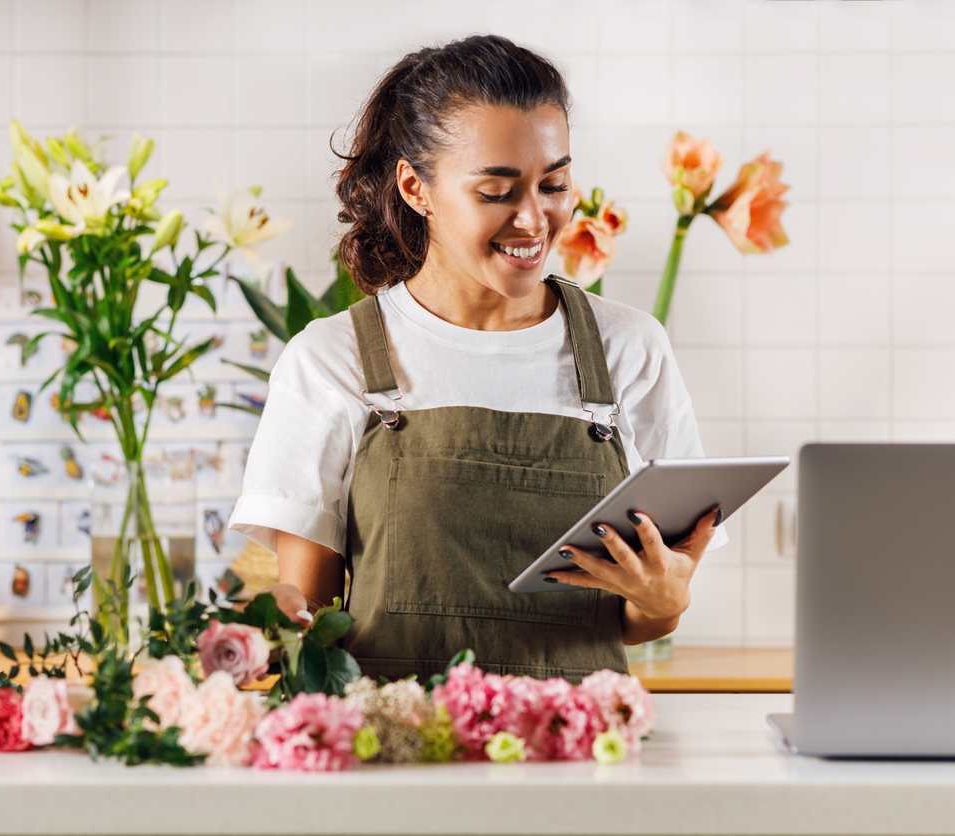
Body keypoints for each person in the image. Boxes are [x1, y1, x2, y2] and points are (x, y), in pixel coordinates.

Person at [226, 34, 727, 683]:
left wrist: (664, 604)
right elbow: (309, 614)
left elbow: (640, 615)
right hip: (394, 736)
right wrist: (253, 633)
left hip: (577, 739)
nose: (534, 220)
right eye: (496, 191)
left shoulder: (629, 349)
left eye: (554, 184)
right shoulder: (332, 360)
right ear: (416, 187)